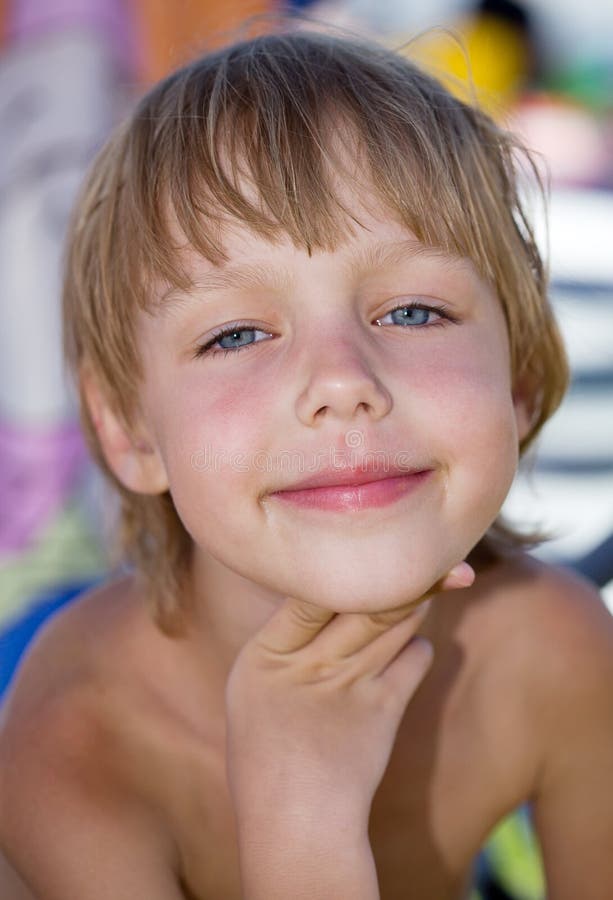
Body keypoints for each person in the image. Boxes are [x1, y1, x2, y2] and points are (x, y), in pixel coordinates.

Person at [1, 29, 612, 900]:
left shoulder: (556, 652)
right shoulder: (80, 746)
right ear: (131, 431)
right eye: (236, 333)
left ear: (516, 378)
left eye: (412, 312)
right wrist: (302, 819)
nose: (341, 382)